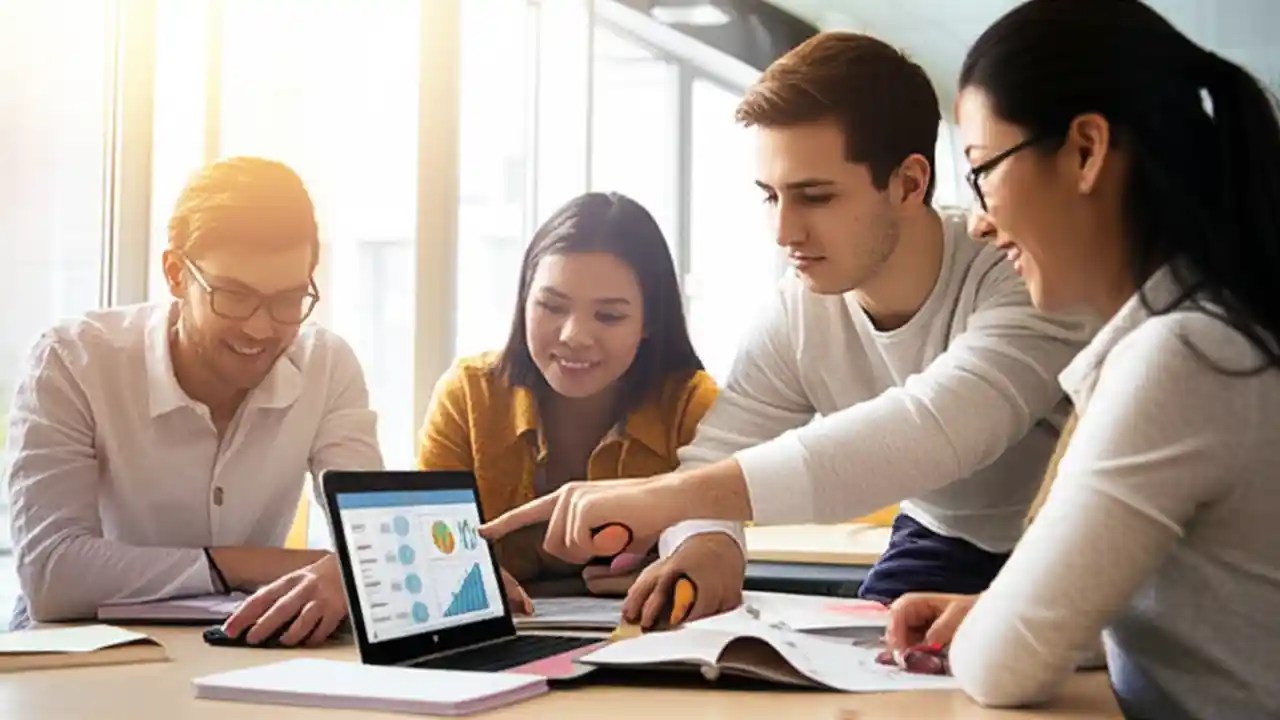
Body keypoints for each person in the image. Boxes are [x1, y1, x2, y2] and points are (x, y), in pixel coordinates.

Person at [481, 30, 1093, 628]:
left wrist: (660, 499)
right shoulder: (796, 311)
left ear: (909, 183)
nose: (784, 232)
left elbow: (937, 428)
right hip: (941, 537)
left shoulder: (1019, 266)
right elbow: (718, 453)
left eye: (815, 197)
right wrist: (707, 542)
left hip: (1071, 538)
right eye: (770, 196)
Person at [879, 0, 1280, 716]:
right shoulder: (1202, 332)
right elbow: (1205, 616)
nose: (977, 218)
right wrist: (998, 611)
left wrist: (1004, 623)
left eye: (982, 170)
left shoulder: (1183, 355)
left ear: (1086, 151)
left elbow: (1006, 669)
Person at [240, 192, 719, 635]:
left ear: (650, 321)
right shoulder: (470, 393)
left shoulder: (690, 406)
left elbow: (715, 541)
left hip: (646, 642)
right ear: (523, 301)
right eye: (551, 306)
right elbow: (425, 541)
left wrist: (681, 565)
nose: (574, 334)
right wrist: (458, 573)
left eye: (609, 316)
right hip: (497, 639)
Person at [6, 157, 383, 639]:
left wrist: (348, 570)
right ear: (175, 274)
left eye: (288, 299)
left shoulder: (326, 365)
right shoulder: (72, 361)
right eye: (233, 295)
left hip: (242, 640)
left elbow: (369, 542)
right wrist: (249, 565)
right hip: (82, 650)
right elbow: (53, 573)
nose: (261, 327)